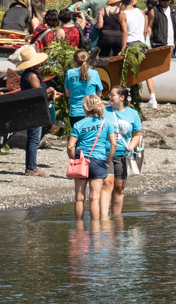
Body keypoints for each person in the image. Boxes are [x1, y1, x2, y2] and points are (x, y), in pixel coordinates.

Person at [6, 44, 48, 174]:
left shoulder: (26, 75)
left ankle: (31, 166)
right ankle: (31, 167)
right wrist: (50, 91)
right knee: (34, 138)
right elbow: (38, 93)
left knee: (32, 138)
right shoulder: (32, 76)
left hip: (30, 109)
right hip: (35, 110)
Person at [101, 83, 142, 217]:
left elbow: (137, 134)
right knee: (107, 183)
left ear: (122, 97)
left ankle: (117, 219)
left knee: (119, 187)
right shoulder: (103, 111)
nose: (110, 97)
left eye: (113, 95)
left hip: (123, 154)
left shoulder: (133, 114)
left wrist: (131, 147)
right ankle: (104, 218)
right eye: (110, 95)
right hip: (105, 153)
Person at [68, 94, 110, 222]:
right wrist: (108, 161)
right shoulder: (105, 123)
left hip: (81, 161)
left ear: (85, 108)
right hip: (98, 160)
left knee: (79, 198)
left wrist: (73, 159)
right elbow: (113, 144)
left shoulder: (78, 124)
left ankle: (79, 228)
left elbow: (70, 146)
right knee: (94, 197)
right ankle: (95, 228)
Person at [63, 48, 101, 128]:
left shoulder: (70, 73)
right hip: (92, 111)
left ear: (75, 62)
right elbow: (99, 93)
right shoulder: (94, 73)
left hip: (75, 112)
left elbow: (67, 94)